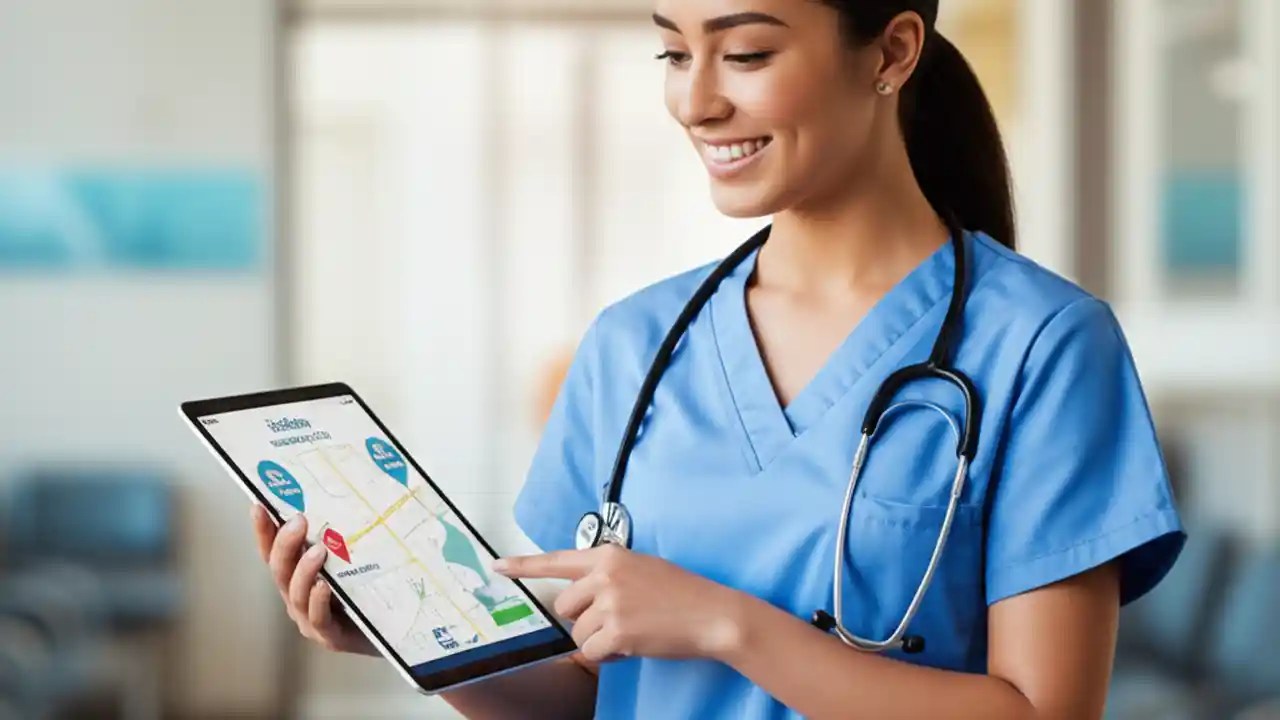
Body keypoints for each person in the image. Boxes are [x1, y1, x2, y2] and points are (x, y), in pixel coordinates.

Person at [252, 0, 1186, 717]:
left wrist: (726, 625)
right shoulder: (633, 344)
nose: (696, 100)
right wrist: (407, 632)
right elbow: (586, 691)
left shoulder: (1043, 345)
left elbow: (1044, 712)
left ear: (893, 52)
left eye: (746, 54)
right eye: (673, 51)